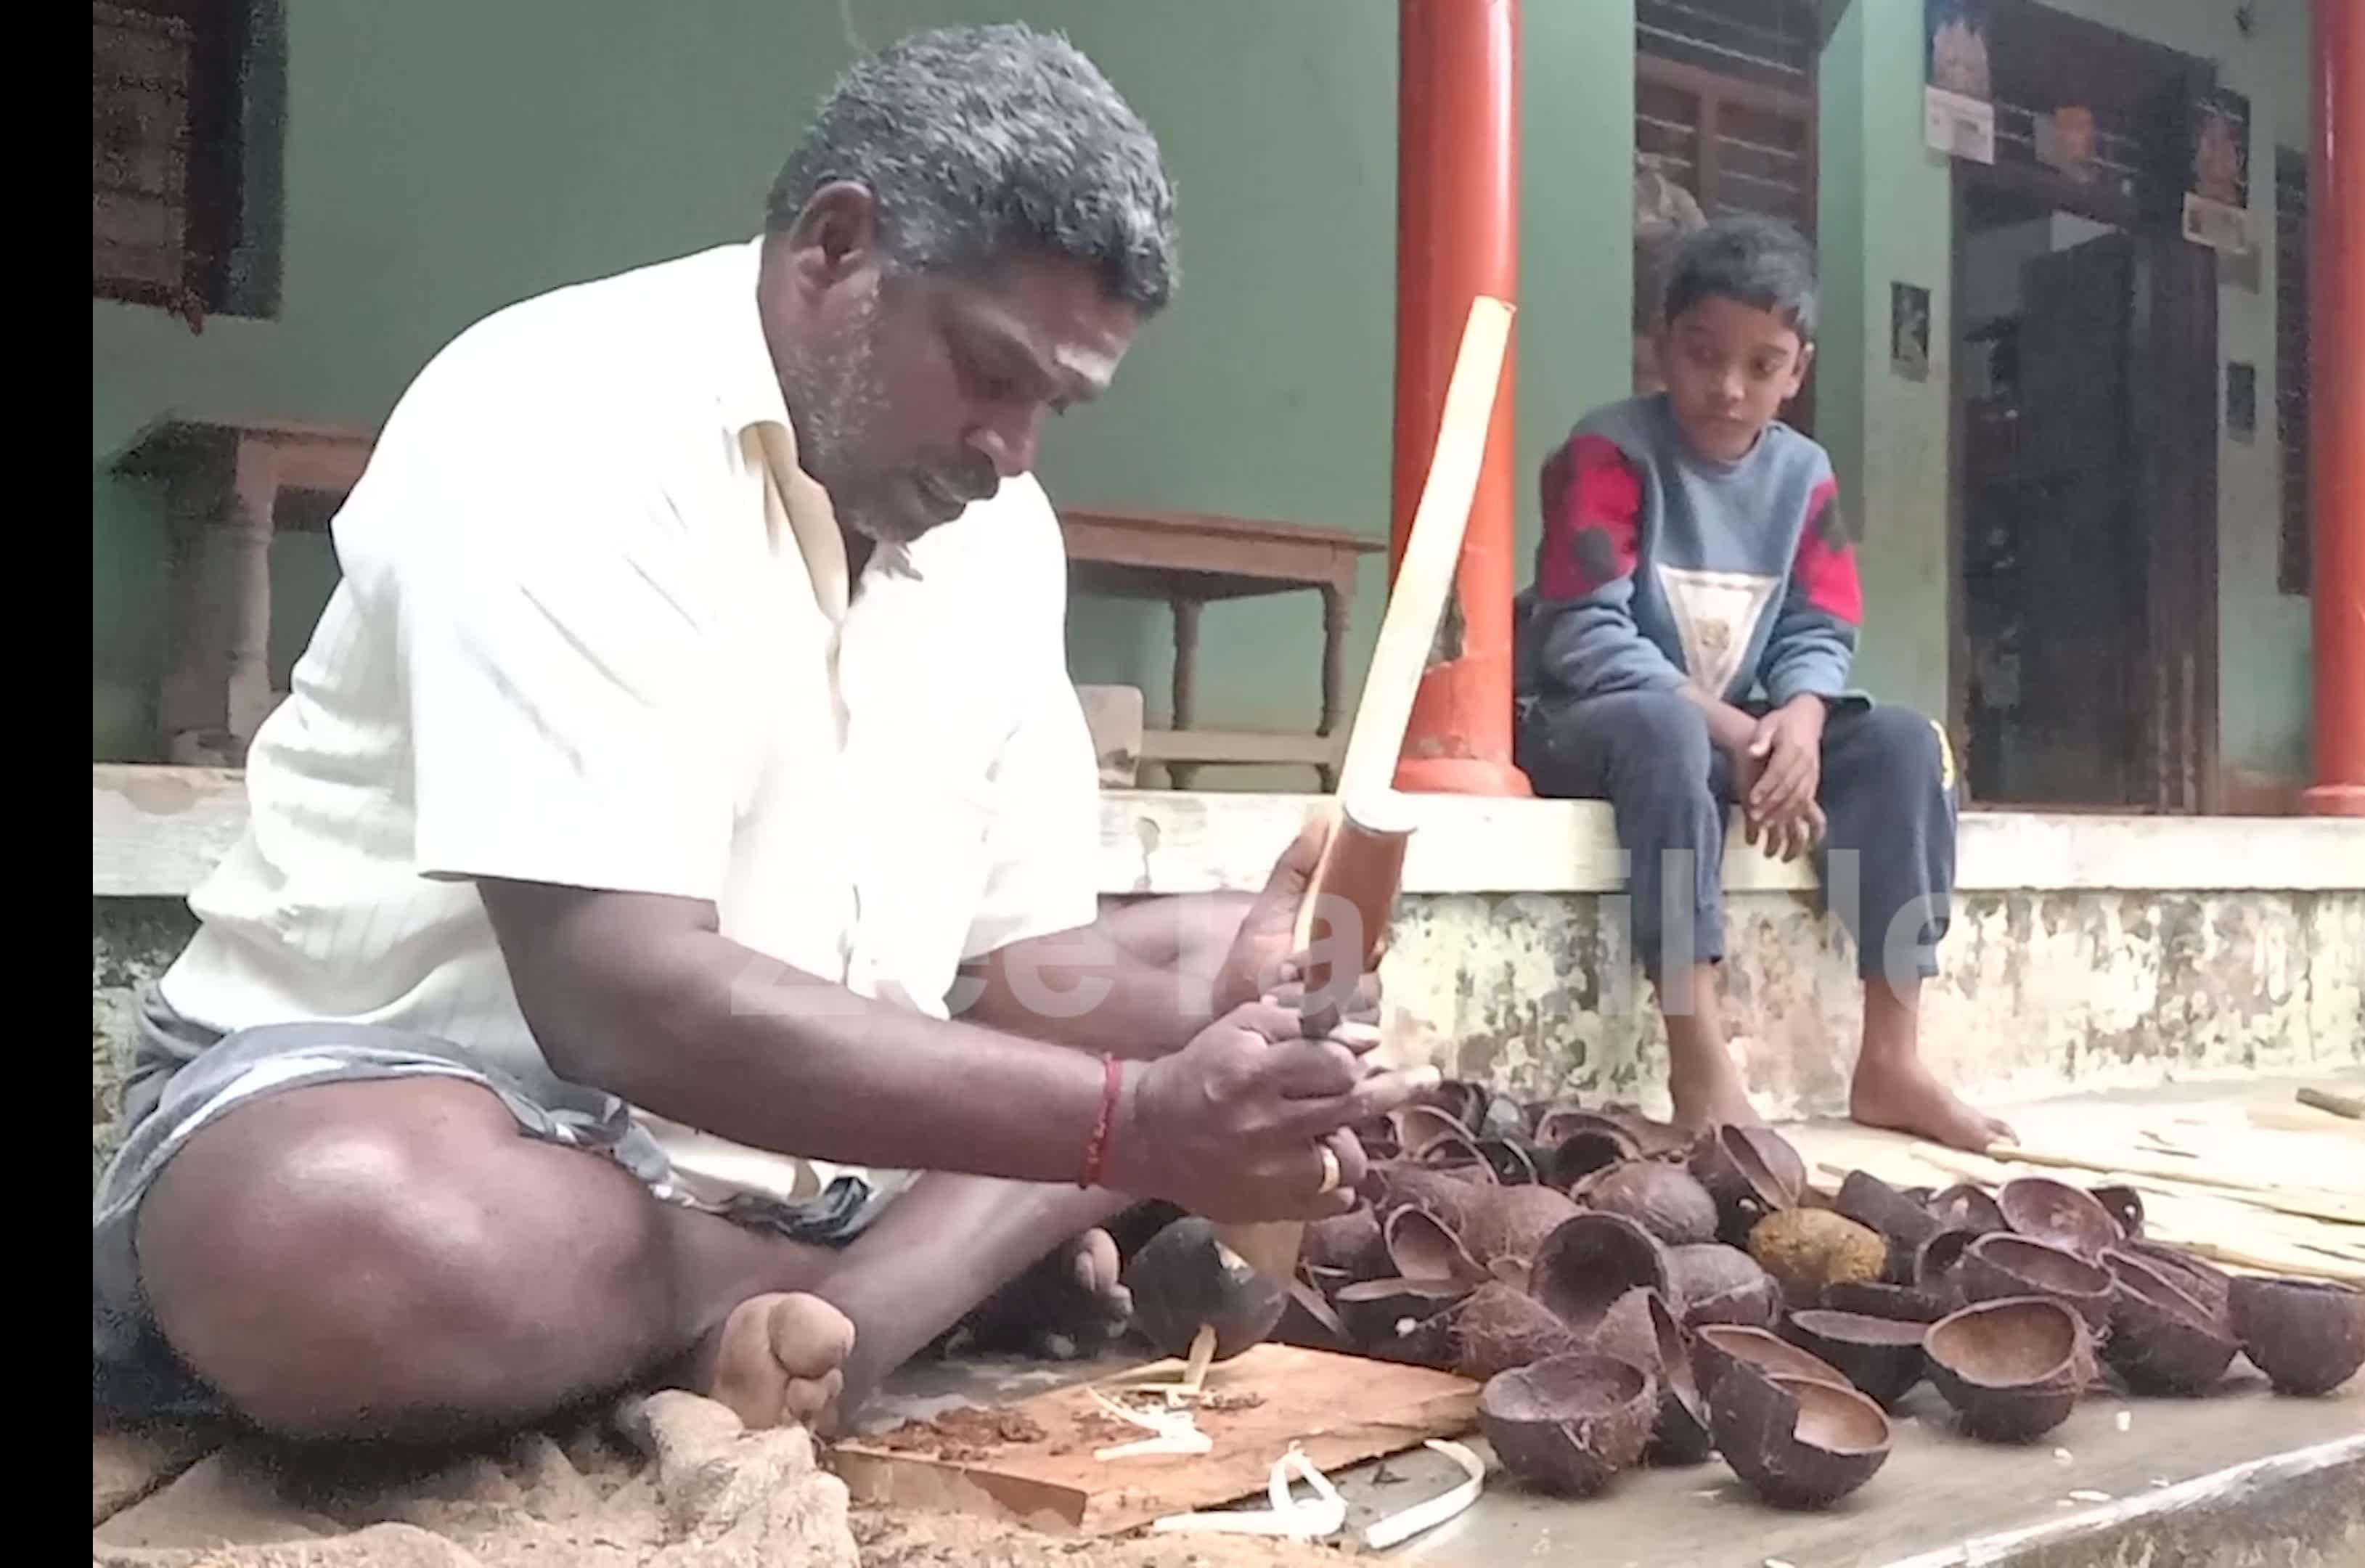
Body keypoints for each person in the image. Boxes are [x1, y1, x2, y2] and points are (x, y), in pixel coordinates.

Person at [90, 25, 1416, 1445]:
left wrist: (1275, 988)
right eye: (989, 371)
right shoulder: (565, 417)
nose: (1013, 449)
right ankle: (856, 1301)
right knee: (341, 1240)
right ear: (835, 251)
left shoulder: (995, 536)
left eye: (1054, 403)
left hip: (802, 1159)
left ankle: (809, 1322)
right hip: (437, 1112)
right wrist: (1134, 1131)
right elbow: (617, 996)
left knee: (1210, 984)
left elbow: (1034, 979)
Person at [1516, 216, 2014, 1155]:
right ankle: (1697, 1059)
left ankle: (1892, 1060)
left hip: (1735, 733)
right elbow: (1584, 632)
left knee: (1907, 747)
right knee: (1665, 730)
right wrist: (1735, 737)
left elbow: (1818, 627)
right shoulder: (1609, 451)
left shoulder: (1804, 474)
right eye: (1703, 355)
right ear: (1662, 344)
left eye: (1763, 363)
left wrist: (1799, 719)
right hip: (1593, 724)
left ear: (1800, 370)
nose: (1730, 387)